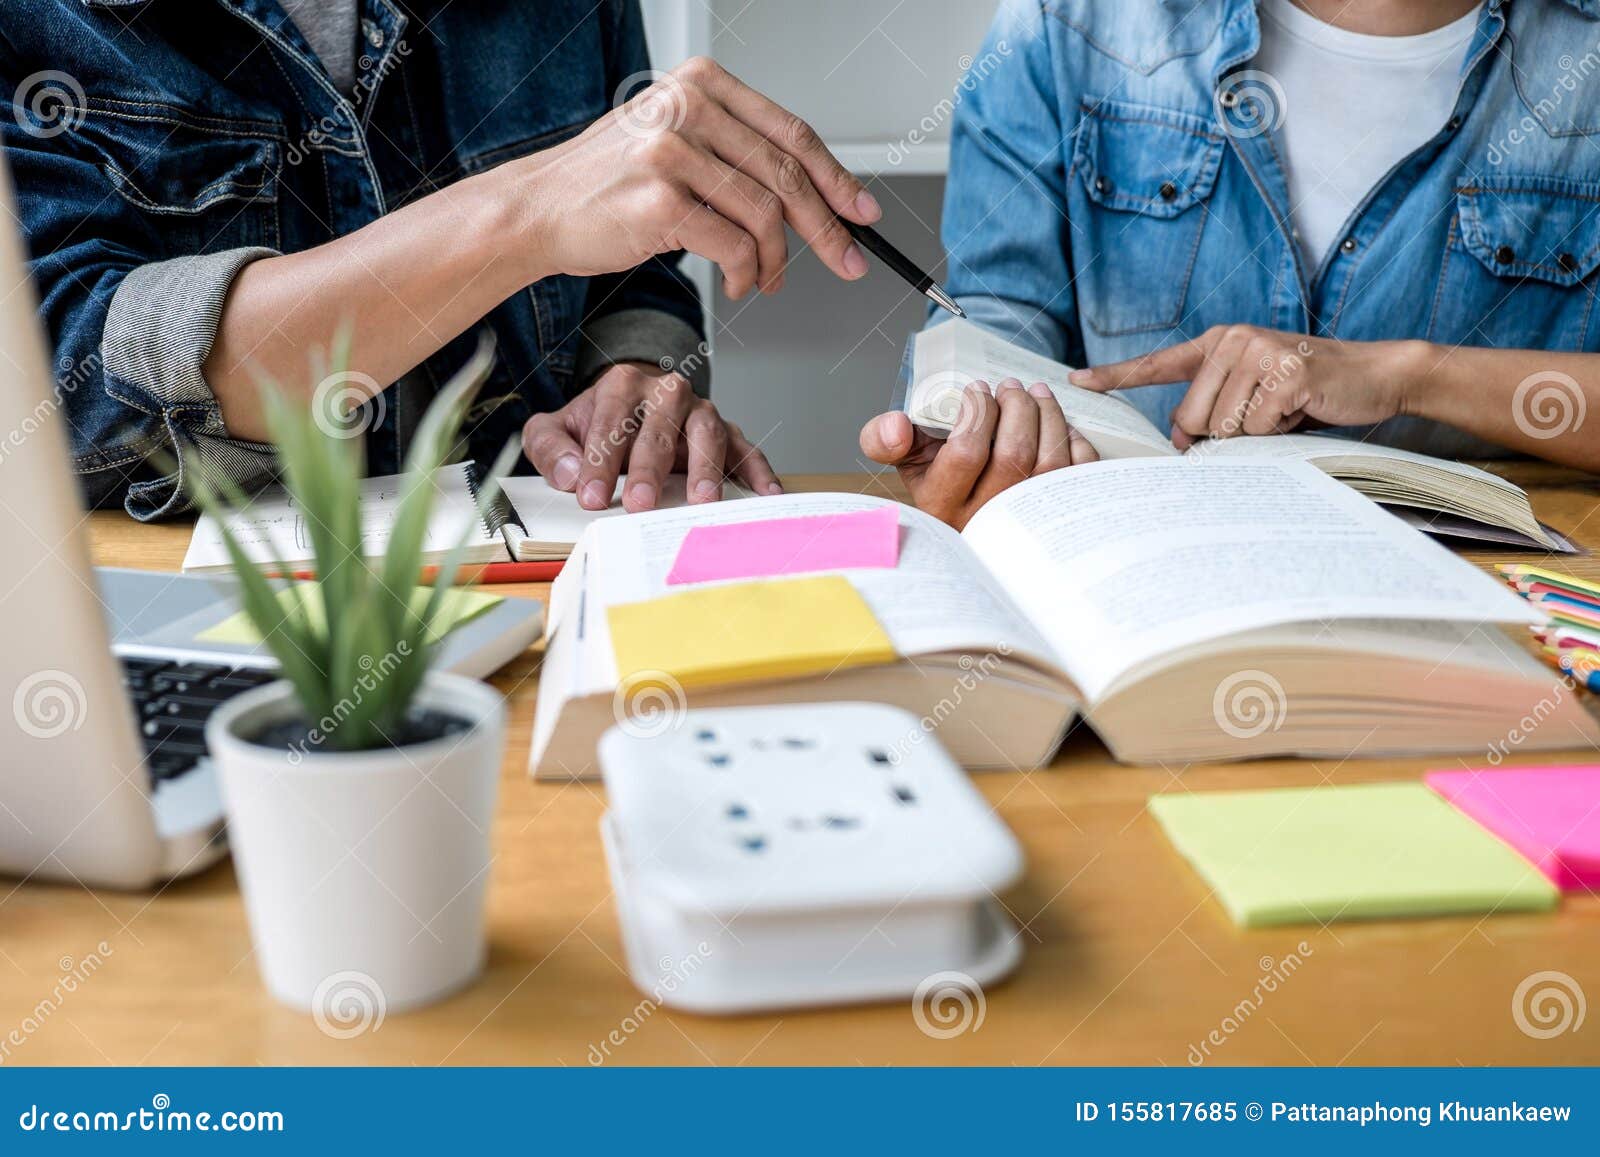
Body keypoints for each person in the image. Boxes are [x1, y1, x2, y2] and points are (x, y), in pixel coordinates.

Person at [3, 0, 883, 519]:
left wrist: (637, 371)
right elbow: (63, 380)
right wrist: (523, 212)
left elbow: (630, 260)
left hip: (542, 595)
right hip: (196, 632)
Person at [862, 0, 1600, 528]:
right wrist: (975, 426)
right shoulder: (1067, 22)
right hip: (1140, 564)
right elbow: (1000, 309)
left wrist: (1408, 374)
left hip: (1484, 600)